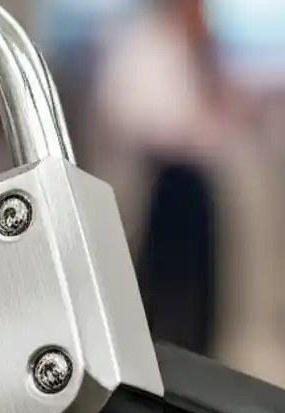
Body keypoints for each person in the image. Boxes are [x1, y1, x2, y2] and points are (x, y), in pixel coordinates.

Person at [95, 0, 227, 354]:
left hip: (199, 178)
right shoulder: (143, 44)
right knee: (165, 285)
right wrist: (181, 130)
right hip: (165, 177)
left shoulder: (198, 46)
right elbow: (124, 112)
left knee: (202, 289)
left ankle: (200, 356)